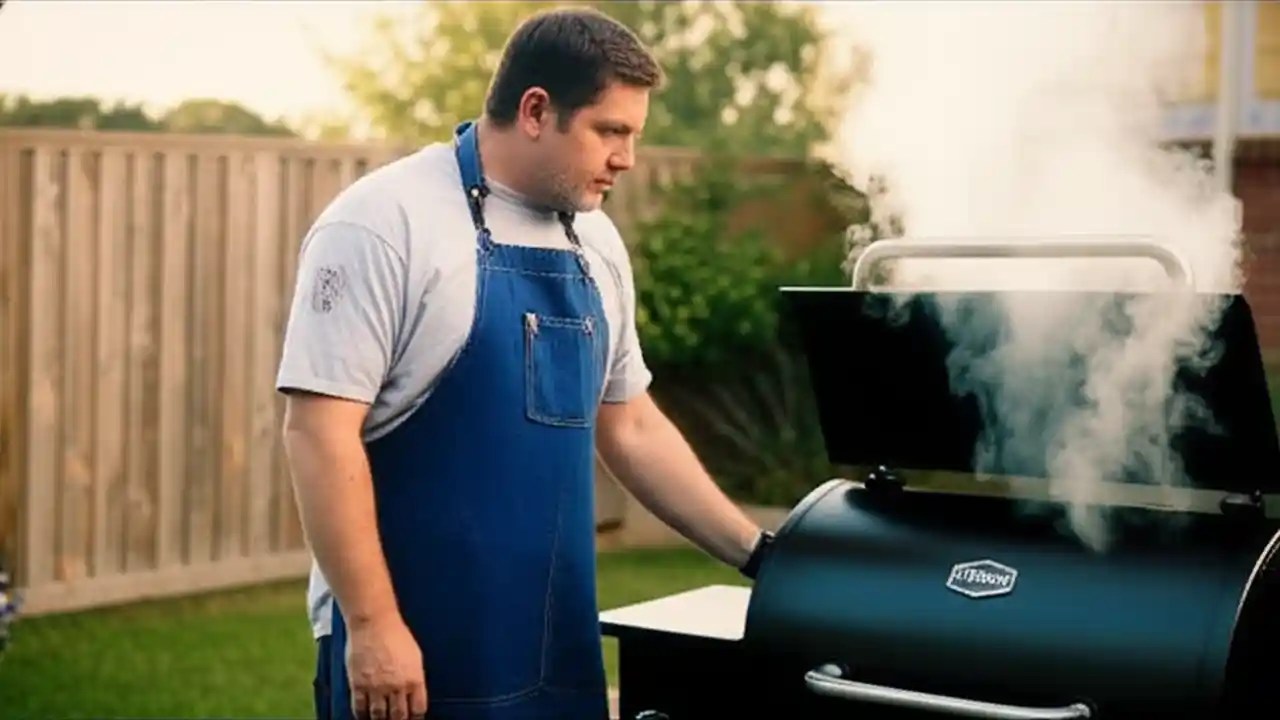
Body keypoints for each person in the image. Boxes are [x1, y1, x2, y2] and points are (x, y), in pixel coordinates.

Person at [276, 7, 773, 720]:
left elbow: (629, 425)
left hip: (557, 651)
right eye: (612, 131)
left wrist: (759, 556)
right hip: (414, 655)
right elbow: (318, 434)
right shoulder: (383, 223)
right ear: (537, 110)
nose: (628, 157)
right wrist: (374, 627)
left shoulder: (598, 245)